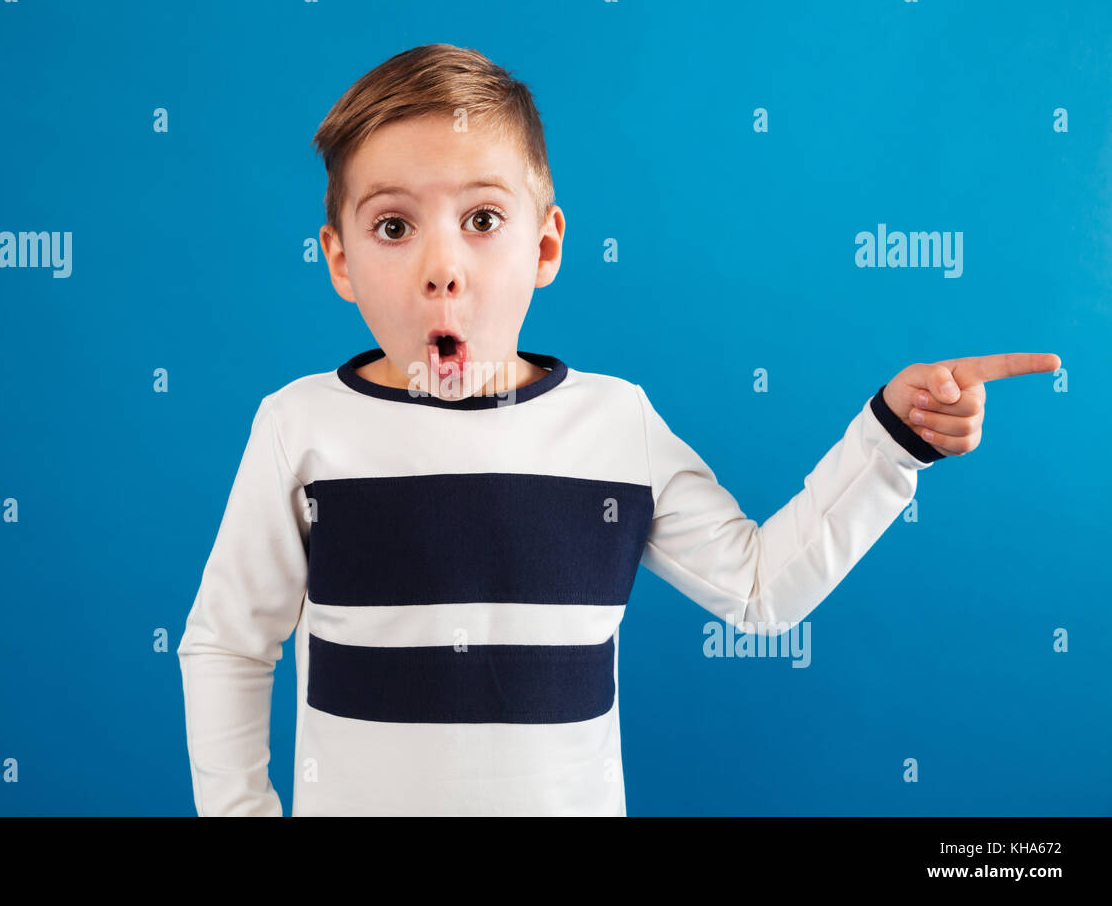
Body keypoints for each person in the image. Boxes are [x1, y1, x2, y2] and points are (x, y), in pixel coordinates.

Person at [175, 43, 1060, 816]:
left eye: (483, 220)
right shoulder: (300, 429)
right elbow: (226, 640)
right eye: (395, 226)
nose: (442, 268)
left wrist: (889, 442)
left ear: (546, 246)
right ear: (339, 259)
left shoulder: (615, 425)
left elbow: (760, 592)